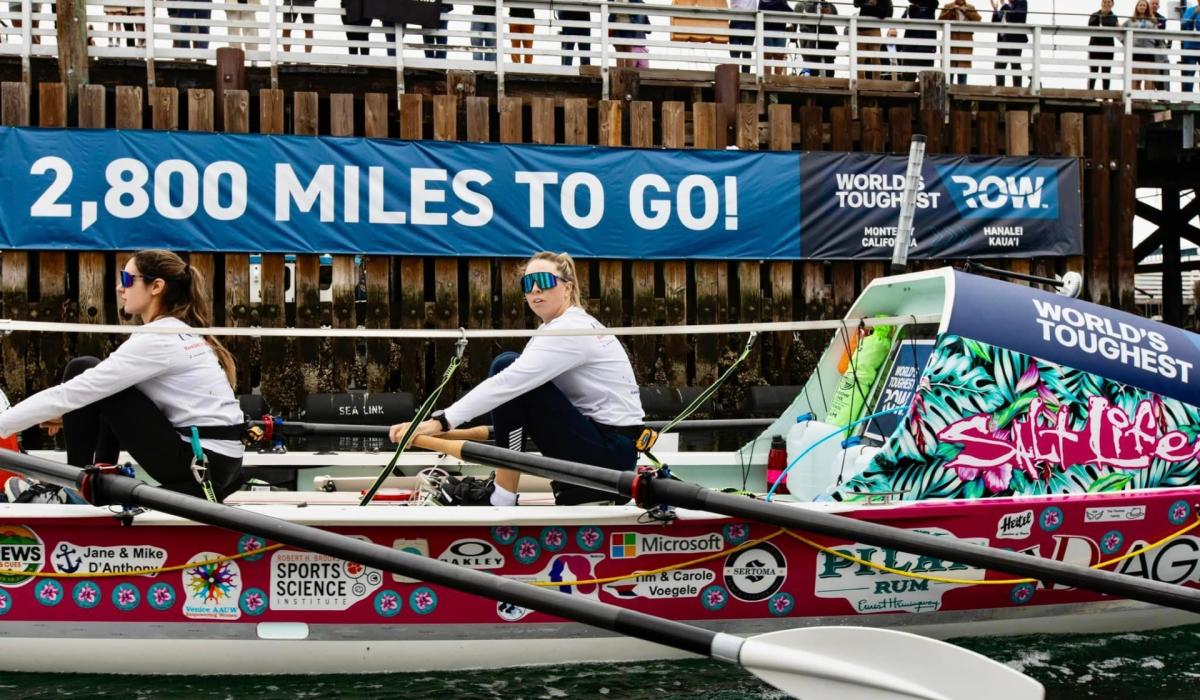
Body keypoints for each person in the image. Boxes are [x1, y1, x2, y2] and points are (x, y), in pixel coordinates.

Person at [388, 252, 645, 507]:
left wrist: (440, 422)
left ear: (567, 288)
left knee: (506, 365)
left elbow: (508, 383)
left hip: (609, 465)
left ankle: (501, 497)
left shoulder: (569, 330)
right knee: (511, 368)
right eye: (527, 283)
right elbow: (520, 410)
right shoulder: (560, 327)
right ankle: (508, 489)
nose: (534, 289)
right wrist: (448, 431)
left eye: (544, 281)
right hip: (610, 454)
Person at [0, 250, 247, 502]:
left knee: (84, 370)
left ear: (156, 287)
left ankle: (74, 490)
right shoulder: (181, 331)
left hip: (200, 464)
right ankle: (92, 479)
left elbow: (72, 392)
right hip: (221, 462)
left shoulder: (158, 339)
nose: (120, 288)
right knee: (98, 378)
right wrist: (73, 415)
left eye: (127, 279)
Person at [939, 0, 981, 85]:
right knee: (948, 73)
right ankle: (947, 95)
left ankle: (961, 97)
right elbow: (940, 19)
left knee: (962, 72)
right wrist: (951, 11)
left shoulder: (970, 7)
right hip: (950, 43)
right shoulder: (948, 6)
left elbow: (978, 19)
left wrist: (965, 11)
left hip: (965, 45)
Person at [797, 0, 839, 77]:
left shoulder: (831, 6)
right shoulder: (810, 5)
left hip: (829, 39)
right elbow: (807, 23)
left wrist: (827, 13)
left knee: (829, 64)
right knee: (814, 65)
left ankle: (831, 83)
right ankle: (814, 84)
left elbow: (836, 20)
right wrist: (817, 11)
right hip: (814, 40)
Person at [990, 0, 1027, 87]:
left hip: (1015, 39)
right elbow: (995, 21)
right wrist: (995, 10)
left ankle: (1017, 88)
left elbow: (1017, 17)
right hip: (1003, 39)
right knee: (998, 66)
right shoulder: (1006, 6)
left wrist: (1004, 5)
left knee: (1015, 64)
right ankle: (1000, 88)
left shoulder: (1021, 2)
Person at [854, 0, 893, 80]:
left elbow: (884, 14)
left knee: (875, 59)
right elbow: (856, 3)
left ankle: (876, 82)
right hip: (861, 29)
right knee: (859, 60)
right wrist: (868, 3)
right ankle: (861, 83)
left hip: (874, 29)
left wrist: (875, 5)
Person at [1124, 0, 1158, 91]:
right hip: (1135, 49)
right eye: (1140, 5)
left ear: (1147, 7)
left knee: (1148, 75)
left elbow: (1157, 34)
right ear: (1137, 7)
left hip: (1149, 49)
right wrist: (1126, 42)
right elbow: (1120, 32)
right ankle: (1135, 98)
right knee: (1135, 75)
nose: (1142, 7)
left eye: (1144, 5)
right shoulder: (1130, 20)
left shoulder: (1152, 20)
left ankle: (1147, 98)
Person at [900, 0, 939, 79]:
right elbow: (903, 20)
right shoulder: (911, 8)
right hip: (910, 46)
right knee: (908, 76)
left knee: (926, 76)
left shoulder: (930, 6)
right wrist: (911, 9)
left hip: (926, 47)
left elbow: (935, 2)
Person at [609, 0, 650, 68]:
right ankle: (621, 71)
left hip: (627, 28)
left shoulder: (636, 2)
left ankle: (627, 71)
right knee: (620, 52)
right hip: (617, 27)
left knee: (627, 52)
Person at [1088, 0, 1119, 90]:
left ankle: (1105, 95)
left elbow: (1117, 28)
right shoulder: (1094, 14)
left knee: (1106, 72)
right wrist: (1101, 16)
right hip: (1095, 45)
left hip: (1108, 47)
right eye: (1104, 2)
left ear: (1112, 4)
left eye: (1109, 2)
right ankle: (1090, 94)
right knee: (1093, 72)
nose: (1106, 4)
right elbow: (1090, 25)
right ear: (1101, 3)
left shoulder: (1114, 17)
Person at [759, 0, 793, 76]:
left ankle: (777, 79)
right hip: (767, 31)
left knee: (779, 56)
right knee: (768, 56)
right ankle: (767, 78)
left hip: (780, 32)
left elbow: (790, 12)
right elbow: (762, 8)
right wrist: (779, 3)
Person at [728, 0, 757, 73]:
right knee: (735, 51)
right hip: (737, 19)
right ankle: (734, 74)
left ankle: (745, 75)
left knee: (746, 52)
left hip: (749, 20)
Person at [1184, 0, 1200, 92]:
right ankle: (1188, 99)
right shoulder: (1190, 10)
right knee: (1189, 73)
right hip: (1190, 47)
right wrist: (1195, 13)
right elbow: (1183, 24)